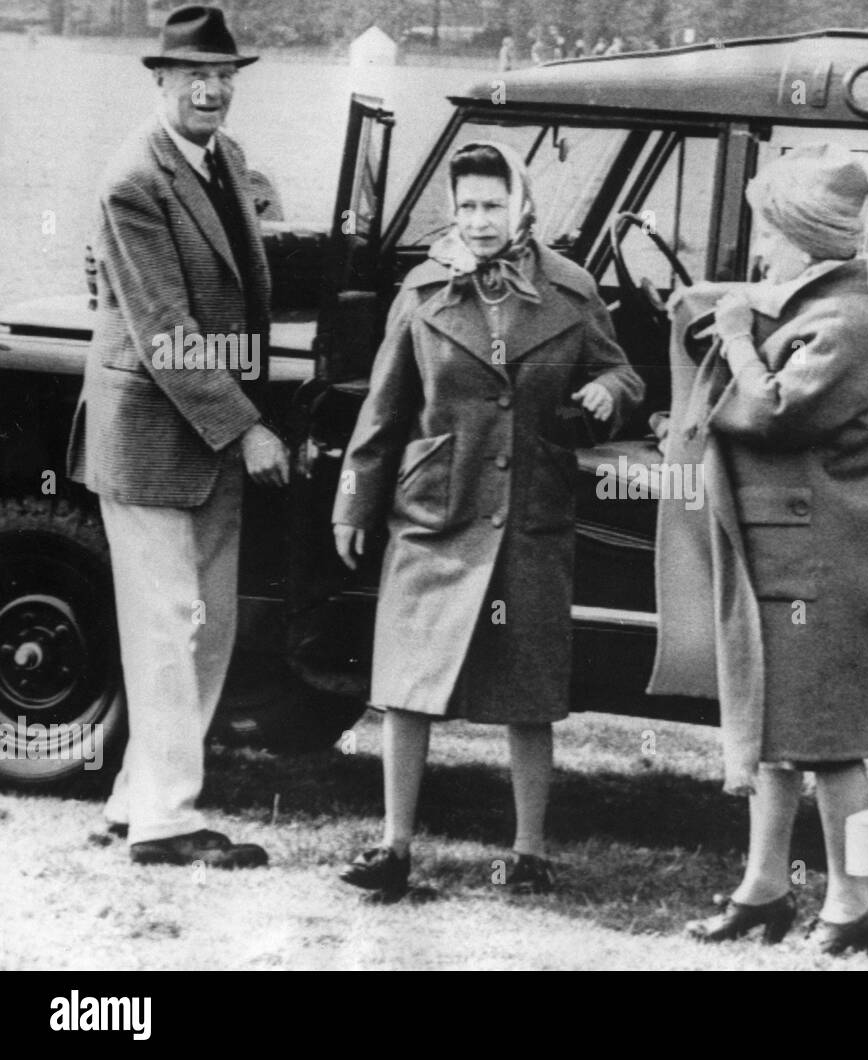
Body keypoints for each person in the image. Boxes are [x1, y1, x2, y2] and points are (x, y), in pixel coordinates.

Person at [332, 141, 644, 896]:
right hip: (437, 508)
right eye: (466, 206)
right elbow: (384, 409)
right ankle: (394, 847)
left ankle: (529, 851)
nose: (478, 221)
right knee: (408, 684)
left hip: (530, 512)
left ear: (523, 207)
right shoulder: (422, 290)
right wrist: (354, 500)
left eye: (492, 206)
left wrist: (609, 393)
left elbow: (624, 371)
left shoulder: (570, 290)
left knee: (528, 692)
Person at [650, 144, 868, 954]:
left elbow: (769, 414)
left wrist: (731, 336)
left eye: (771, 231)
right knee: (772, 737)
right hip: (791, 554)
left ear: (804, 239)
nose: (760, 249)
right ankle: (765, 892)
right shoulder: (813, 306)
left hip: (827, 565)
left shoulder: (843, 323)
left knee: (832, 745)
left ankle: (853, 905)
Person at [67, 5, 289, 868]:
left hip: (206, 440)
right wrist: (248, 430)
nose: (212, 88)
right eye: (195, 75)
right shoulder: (134, 178)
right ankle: (165, 823)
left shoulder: (225, 162)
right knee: (166, 629)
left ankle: (137, 799)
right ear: (160, 79)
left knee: (205, 624)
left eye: (226, 75)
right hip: (156, 440)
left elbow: (238, 275)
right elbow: (164, 330)